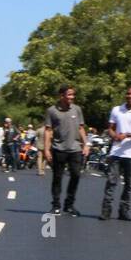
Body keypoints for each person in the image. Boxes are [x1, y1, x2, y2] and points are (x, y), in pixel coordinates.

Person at [101, 85, 131, 221]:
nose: (130, 96)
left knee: (129, 184)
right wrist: (114, 136)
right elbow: (110, 128)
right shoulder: (117, 110)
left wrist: (128, 134)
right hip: (117, 152)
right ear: (126, 95)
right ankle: (106, 210)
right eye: (128, 94)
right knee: (111, 182)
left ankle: (124, 210)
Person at [44, 85, 87, 215]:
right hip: (59, 148)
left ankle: (69, 204)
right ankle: (56, 204)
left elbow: (80, 128)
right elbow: (48, 130)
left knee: (76, 175)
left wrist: (86, 144)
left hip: (75, 149)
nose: (71, 97)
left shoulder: (77, 109)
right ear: (61, 96)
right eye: (69, 95)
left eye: (73, 95)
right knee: (57, 177)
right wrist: (46, 149)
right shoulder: (52, 111)